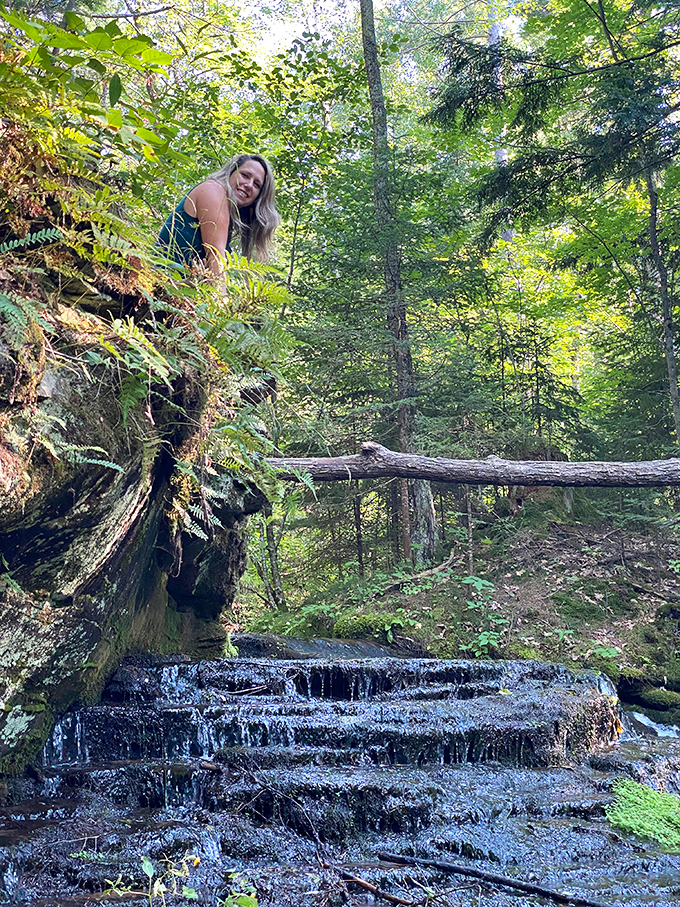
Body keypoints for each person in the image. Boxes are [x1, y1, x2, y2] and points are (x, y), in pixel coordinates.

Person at [157, 154, 280, 273]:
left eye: (256, 184)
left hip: (171, 287)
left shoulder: (226, 212)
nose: (248, 185)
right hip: (157, 284)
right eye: (245, 175)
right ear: (231, 173)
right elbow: (216, 260)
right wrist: (220, 294)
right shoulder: (214, 191)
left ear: (258, 198)